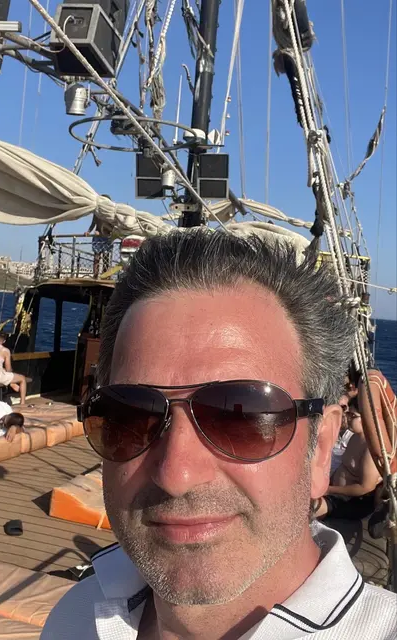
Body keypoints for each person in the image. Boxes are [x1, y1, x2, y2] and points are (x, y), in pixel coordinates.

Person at [42, 230, 396, 640]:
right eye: (130, 414)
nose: (176, 475)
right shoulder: (73, 618)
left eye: (240, 417)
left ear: (319, 449)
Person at [315, 406, 381, 520]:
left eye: (353, 415)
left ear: (367, 418)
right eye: (348, 414)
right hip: (335, 491)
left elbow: (365, 488)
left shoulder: (371, 449)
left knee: (312, 507)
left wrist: (329, 490)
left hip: (352, 501)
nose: (348, 418)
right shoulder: (355, 437)